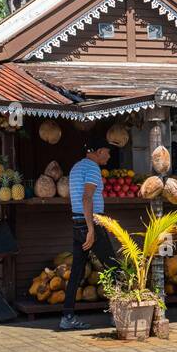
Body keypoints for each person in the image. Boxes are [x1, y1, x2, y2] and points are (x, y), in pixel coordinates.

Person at [59, 142, 116, 332]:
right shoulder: (92, 168)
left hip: (77, 222)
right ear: (99, 151)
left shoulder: (76, 167)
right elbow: (86, 198)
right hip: (90, 224)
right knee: (113, 267)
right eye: (107, 153)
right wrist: (91, 229)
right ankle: (118, 315)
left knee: (76, 271)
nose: (108, 157)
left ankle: (67, 316)